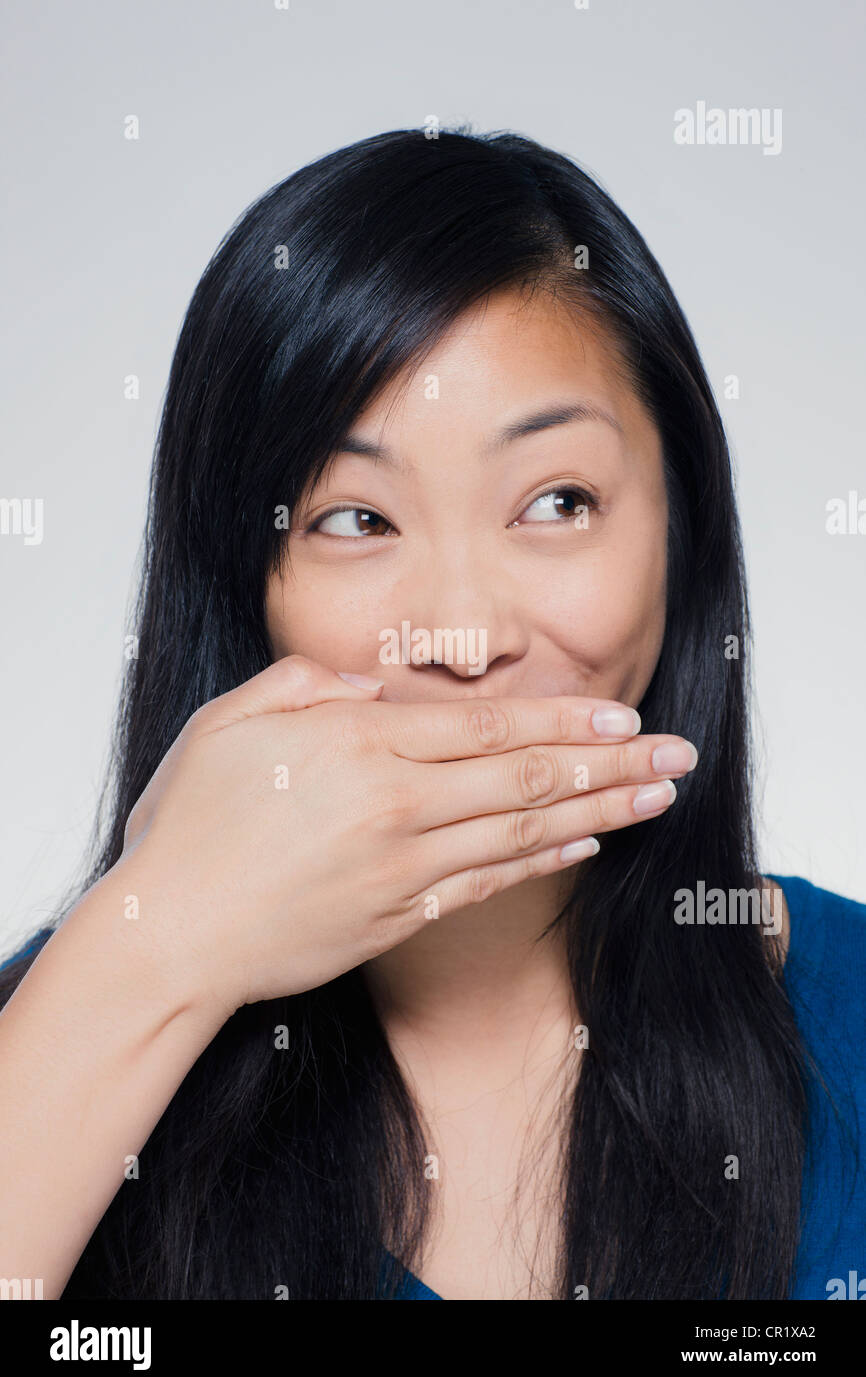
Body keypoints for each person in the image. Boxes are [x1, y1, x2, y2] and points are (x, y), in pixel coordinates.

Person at [1, 125, 863, 1302]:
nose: (463, 634)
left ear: (681, 533)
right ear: (239, 588)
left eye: (557, 501)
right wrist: (154, 949)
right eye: (356, 519)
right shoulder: (64, 1025)